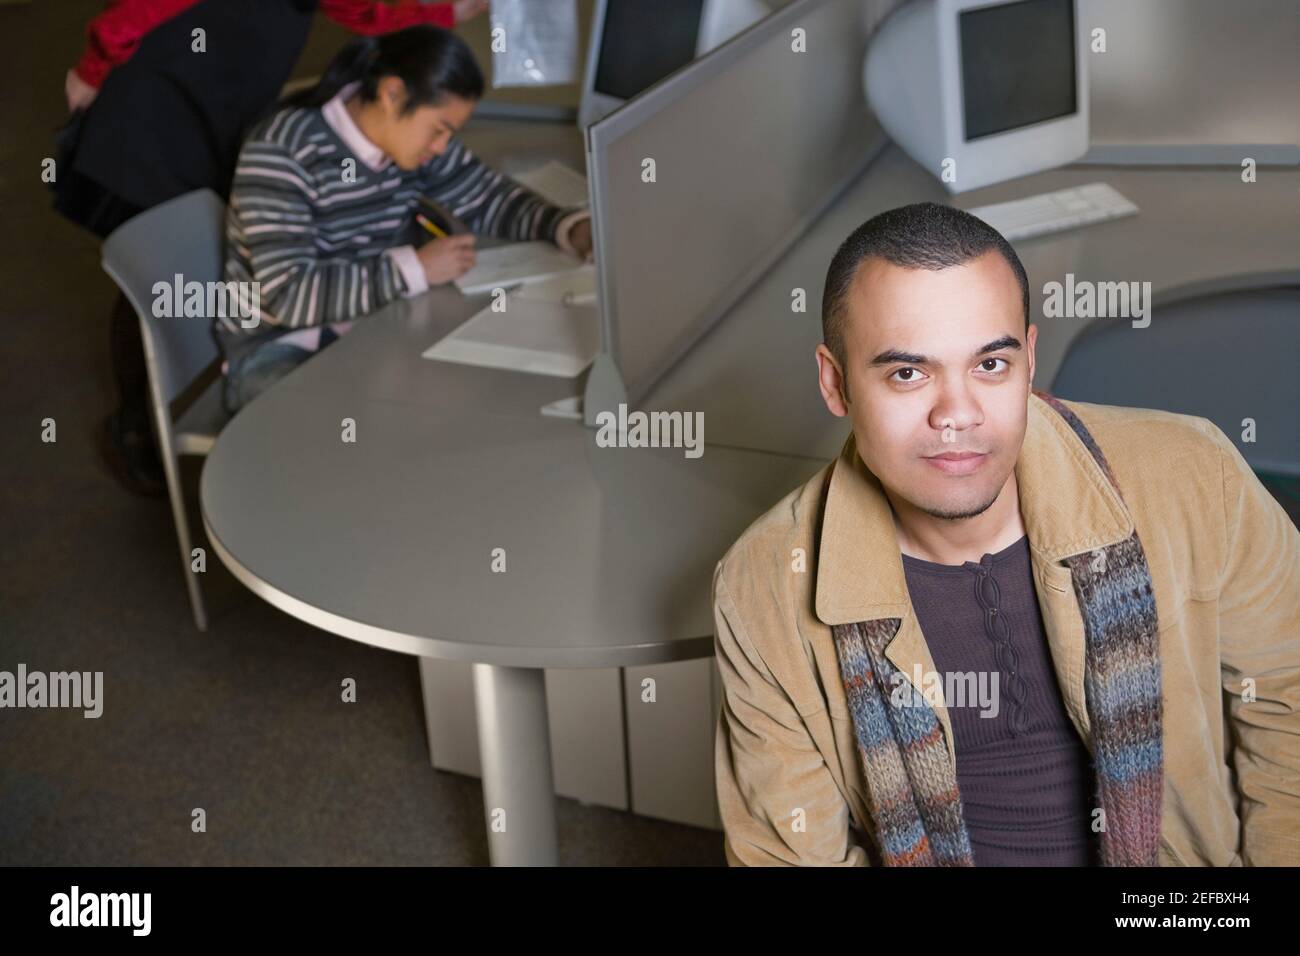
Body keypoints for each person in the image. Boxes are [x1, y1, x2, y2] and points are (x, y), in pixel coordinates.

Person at [711, 202, 1300, 866]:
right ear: (836, 382)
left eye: (990, 365)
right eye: (908, 373)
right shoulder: (763, 587)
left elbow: (1289, 691)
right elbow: (786, 857)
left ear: (1029, 360)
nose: (957, 416)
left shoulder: (1196, 476)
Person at [55, 0, 488, 495]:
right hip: (165, 100)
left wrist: (441, 13)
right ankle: (138, 426)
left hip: (225, 99)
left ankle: (214, 373)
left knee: (220, 235)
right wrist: (94, 66)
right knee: (157, 262)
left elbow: (359, 8)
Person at [215, 25, 594, 414]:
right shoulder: (282, 150)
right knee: (362, 424)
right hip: (277, 347)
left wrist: (567, 227)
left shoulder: (409, 143)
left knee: (469, 399)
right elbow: (291, 296)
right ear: (392, 94)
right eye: (439, 129)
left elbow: (486, 196)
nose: (442, 146)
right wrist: (414, 269)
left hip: (372, 324)